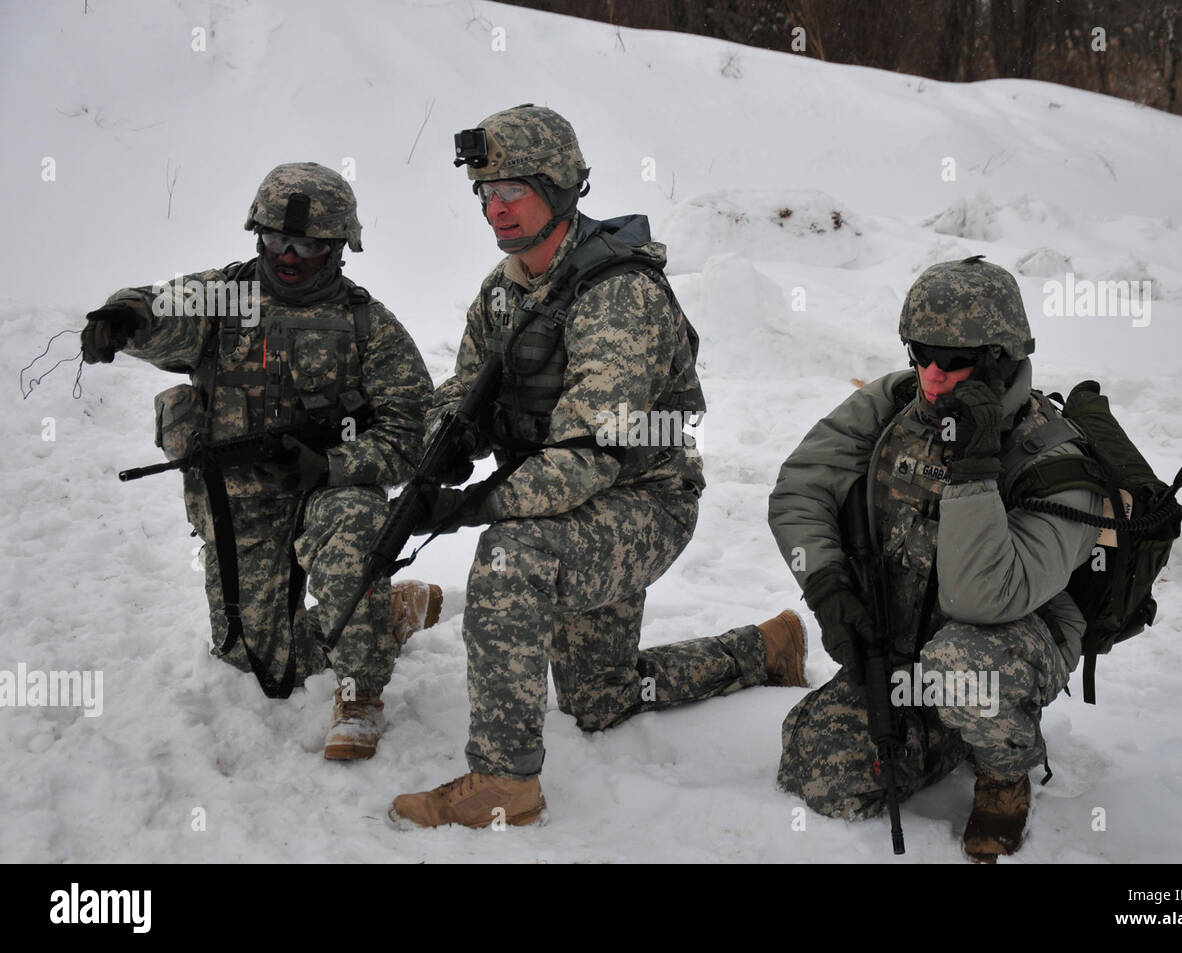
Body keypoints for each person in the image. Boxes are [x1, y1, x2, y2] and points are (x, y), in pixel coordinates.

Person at [389, 104, 806, 829]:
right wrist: (442, 446)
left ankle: (503, 781)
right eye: (485, 193)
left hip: (643, 500)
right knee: (601, 698)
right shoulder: (505, 287)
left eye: (512, 190)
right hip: (570, 497)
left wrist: (469, 507)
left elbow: (586, 456)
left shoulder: (620, 296)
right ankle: (767, 649)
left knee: (510, 560)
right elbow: (460, 388)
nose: (495, 209)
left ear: (557, 189)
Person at [80, 162, 439, 760]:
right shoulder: (223, 298)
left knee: (352, 522)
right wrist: (124, 319)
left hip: (329, 494)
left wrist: (333, 467)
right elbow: (159, 308)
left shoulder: (368, 326)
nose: (288, 255)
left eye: (305, 243)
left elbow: (413, 433)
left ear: (338, 246)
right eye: (275, 238)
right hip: (242, 503)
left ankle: (359, 693)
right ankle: (390, 611)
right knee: (255, 663)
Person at [767, 256, 1104, 862]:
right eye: (921, 352)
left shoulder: (1055, 464)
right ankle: (946, 734)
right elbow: (801, 488)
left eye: (953, 361)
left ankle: (1003, 769)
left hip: (998, 651)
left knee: (959, 663)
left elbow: (983, 597)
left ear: (1000, 360)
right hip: (901, 645)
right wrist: (827, 587)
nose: (931, 374)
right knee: (819, 771)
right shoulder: (896, 405)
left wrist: (973, 470)